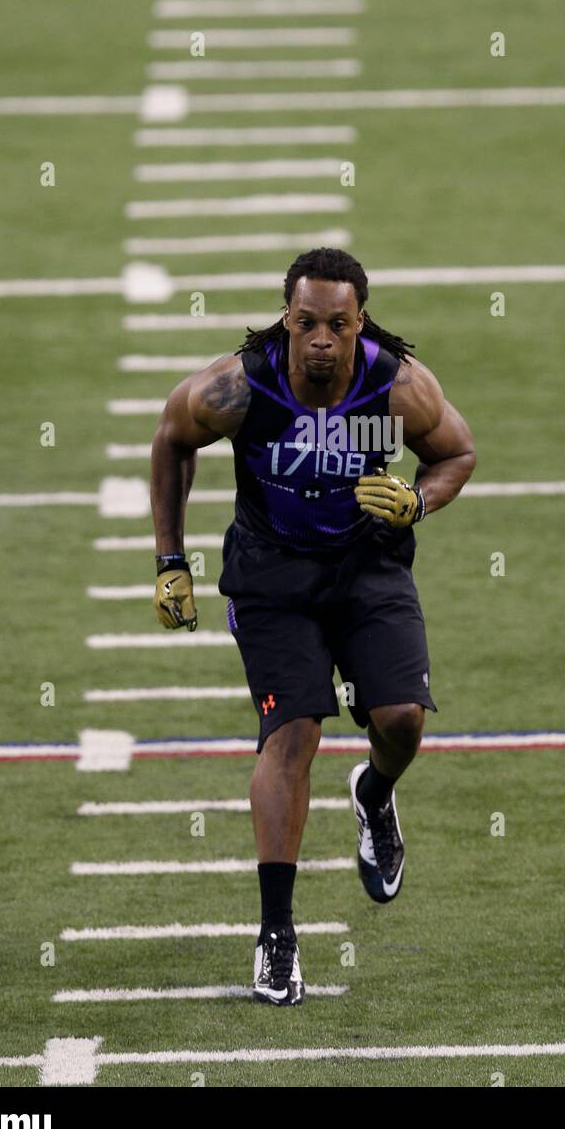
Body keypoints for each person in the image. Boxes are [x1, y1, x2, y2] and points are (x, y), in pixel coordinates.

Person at [150, 247, 476, 1004]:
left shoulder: (396, 384)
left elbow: (457, 452)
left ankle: (373, 793)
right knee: (292, 733)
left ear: (361, 323)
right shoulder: (241, 384)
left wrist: (419, 500)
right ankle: (276, 936)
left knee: (399, 721)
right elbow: (170, 437)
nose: (321, 338)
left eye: (338, 323)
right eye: (307, 323)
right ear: (285, 320)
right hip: (272, 576)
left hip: (368, 569)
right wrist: (170, 558)